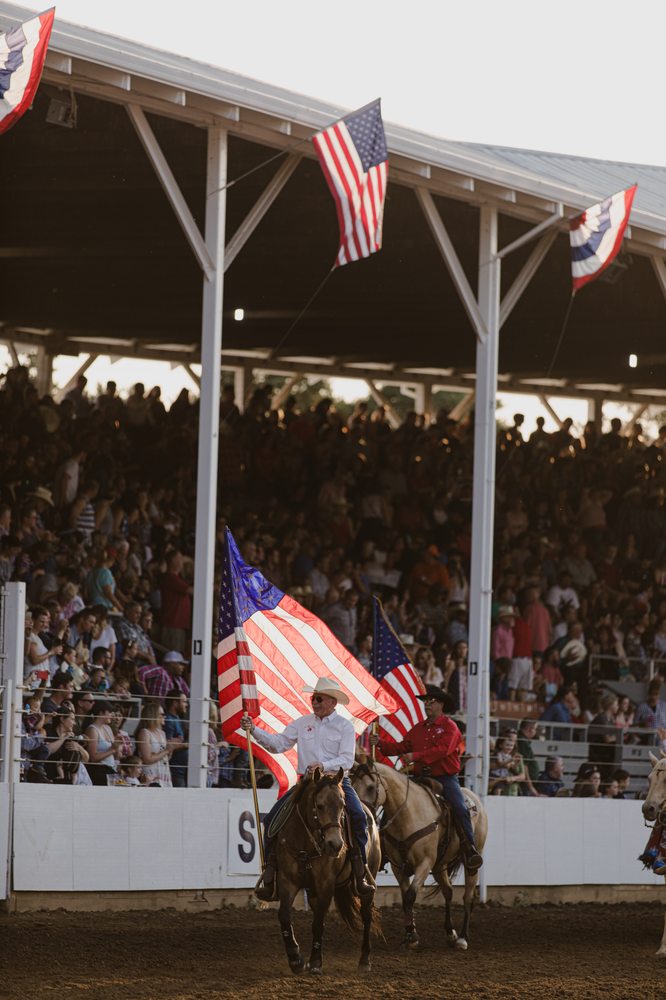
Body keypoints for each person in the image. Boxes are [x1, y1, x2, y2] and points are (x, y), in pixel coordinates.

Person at [241, 676, 374, 901]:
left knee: (359, 817)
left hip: (337, 782)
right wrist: (253, 730)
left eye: (319, 698)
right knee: (271, 820)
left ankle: (360, 870)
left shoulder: (345, 727)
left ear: (333, 702)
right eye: (314, 698)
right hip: (307, 783)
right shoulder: (302, 723)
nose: (315, 701)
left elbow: (346, 760)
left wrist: (324, 765)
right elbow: (279, 743)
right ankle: (270, 872)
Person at [369, 684, 483, 871]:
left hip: (445, 778)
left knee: (459, 807)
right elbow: (402, 746)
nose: (427, 704)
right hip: (419, 777)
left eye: (432, 701)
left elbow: (442, 751)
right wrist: (380, 744)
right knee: (392, 806)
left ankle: (469, 847)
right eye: (426, 701)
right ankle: (385, 850)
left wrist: (415, 756)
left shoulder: (450, 727)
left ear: (441, 705)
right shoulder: (419, 728)